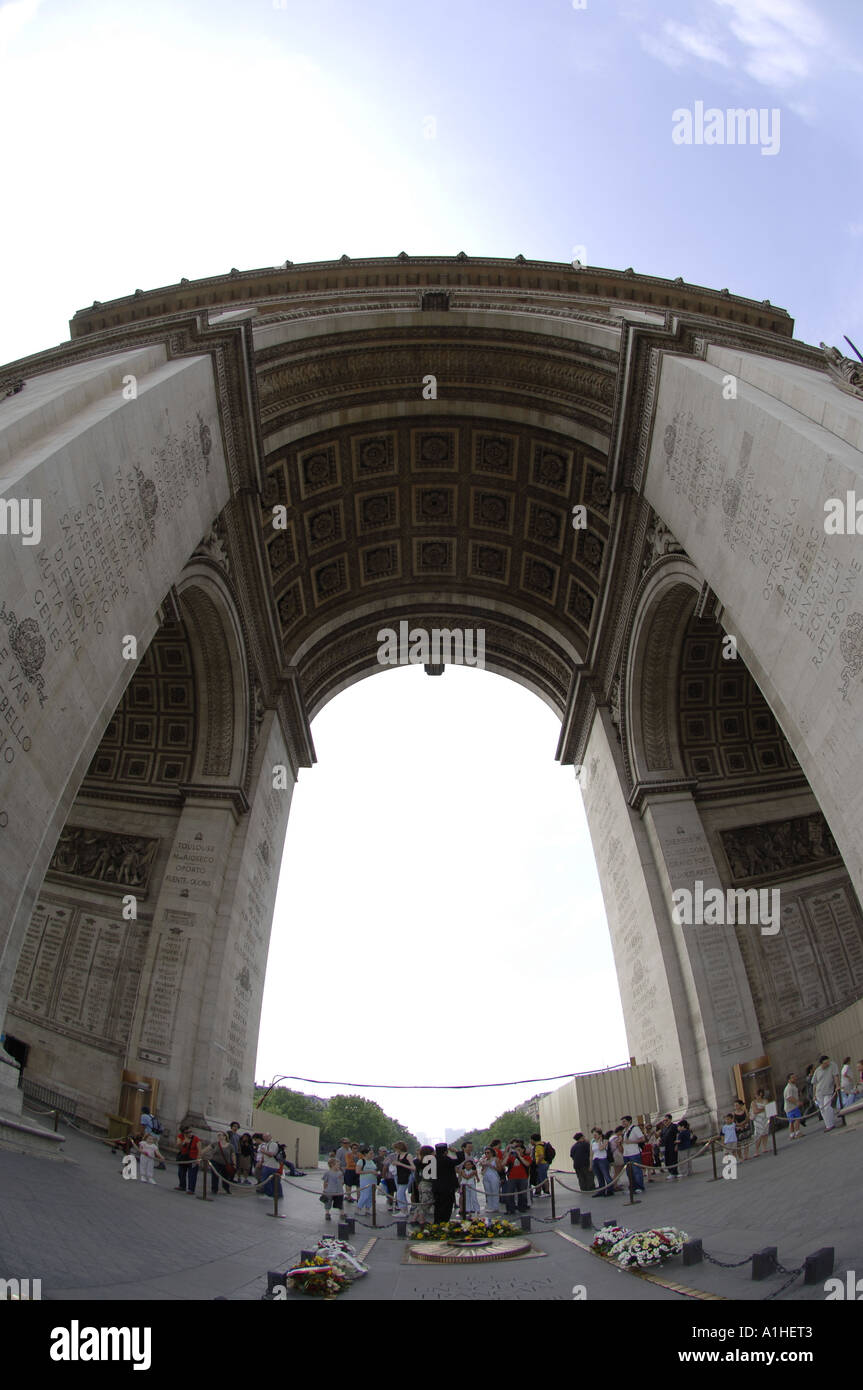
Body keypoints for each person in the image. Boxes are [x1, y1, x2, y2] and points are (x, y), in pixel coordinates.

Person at [431, 1143, 462, 1224]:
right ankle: (444, 1223)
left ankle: (437, 1224)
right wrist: (456, 1151)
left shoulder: (432, 1160)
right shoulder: (446, 1159)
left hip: (436, 1187)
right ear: (445, 1151)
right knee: (447, 1207)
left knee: (438, 1207)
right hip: (447, 1188)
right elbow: (460, 1159)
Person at [502, 1140, 531, 1215]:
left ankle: (522, 1207)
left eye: (519, 1150)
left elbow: (527, 1164)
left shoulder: (526, 1157)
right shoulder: (511, 1158)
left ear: (523, 1150)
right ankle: (510, 1209)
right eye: (516, 1150)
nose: (517, 1151)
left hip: (523, 1177)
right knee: (510, 1194)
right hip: (512, 1177)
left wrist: (520, 1156)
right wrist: (508, 1154)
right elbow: (503, 1164)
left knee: (522, 1194)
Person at [813, 1054, 840, 1131]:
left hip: (828, 1090)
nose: (827, 1064)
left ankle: (831, 1124)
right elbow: (814, 1084)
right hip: (819, 1092)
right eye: (825, 1063)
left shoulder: (832, 1065)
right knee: (822, 1109)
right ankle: (828, 1124)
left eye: (828, 1062)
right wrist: (814, 1095)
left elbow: (836, 1076)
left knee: (827, 1107)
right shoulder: (817, 1071)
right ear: (821, 1064)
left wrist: (837, 1085)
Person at [621, 1115, 645, 1192]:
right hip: (626, 1153)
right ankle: (632, 1187)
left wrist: (631, 1142)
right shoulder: (624, 1131)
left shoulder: (635, 1129)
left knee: (636, 1170)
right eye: (622, 1122)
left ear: (629, 1121)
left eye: (624, 1121)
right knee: (629, 1172)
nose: (623, 1123)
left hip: (634, 1153)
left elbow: (642, 1139)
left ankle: (639, 1187)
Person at [176, 1127, 200, 1193]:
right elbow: (178, 1147)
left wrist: (198, 1159)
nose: (190, 1134)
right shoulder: (180, 1136)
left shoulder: (196, 1139)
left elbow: (199, 1150)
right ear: (183, 1133)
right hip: (184, 1157)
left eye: (190, 1132)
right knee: (181, 1172)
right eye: (187, 1132)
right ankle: (182, 1185)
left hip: (193, 1158)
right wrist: (183, 1142)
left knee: (192, 1174)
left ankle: (191, 1189)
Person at [590, 1127, 613, 1196]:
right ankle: (601, 1190)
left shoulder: (605, 1141)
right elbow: (591, 1153)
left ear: (600, 1135)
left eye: (596, 1135)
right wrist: (591, 1164)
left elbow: (601, 1148)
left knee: (606, 1175)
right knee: (599, 1177)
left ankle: (610, 1190)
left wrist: (600, 1141)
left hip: (602, 1159)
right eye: (593, 1135)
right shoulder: (592, 1142)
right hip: (595, 1159)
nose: (594, 1136)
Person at [393, 1142, 414, 1215]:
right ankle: (404, 1210)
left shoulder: (408, 1155)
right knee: (401, 1193)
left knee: (399, 1194)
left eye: (396, 1148)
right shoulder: (398, 1155)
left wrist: (401, 1164)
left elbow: (413, 1167)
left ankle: (402, 1210)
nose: (395, 1150)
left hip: (406, 1176)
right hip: (399, 1176)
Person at [479, 1146, 502, 1212]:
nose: (487, 1154)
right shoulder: (485, 1160)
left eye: (488, 1153)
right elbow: (482, 1171)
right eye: (485, 1153)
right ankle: (490, 1206)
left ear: (492, 1153)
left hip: (494, 1176)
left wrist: (491, 1166)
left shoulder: (496, 1159)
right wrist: (483, 1166)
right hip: (486, 1176)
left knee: (494, 1191)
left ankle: (495, 1207)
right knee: (488, 1192)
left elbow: (500, 1169)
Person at [356, 1145, 377, 1213]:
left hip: (373, 1180)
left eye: (372, 1153)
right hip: (365, 1180)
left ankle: (368, 1208)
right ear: (365, 1154)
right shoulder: (361, 1161)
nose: (372, 1155)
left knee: (371, 1195)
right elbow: (358, 1171)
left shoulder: (372, 1161)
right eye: (370, 1153)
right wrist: (370, 1171)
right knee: (365, 1195)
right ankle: (359, 1208)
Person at [749, 1089, 770, 1156]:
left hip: (765, 1118)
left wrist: (762, 1109)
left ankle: (764, 1148)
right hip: (758, 1120)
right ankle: (757, 1150)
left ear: (760, 1094)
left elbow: (768, 1108)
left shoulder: (765, 1100)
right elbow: (755, 1111)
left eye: (757, 1094)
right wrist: (764, 1109)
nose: (756, 1096)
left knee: (765, 1133)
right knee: (758, 1134)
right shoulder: (753, 1102)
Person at [783, 1073, 802, 1140]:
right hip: (791, 1107)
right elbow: (789, 1097)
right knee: (795, 1119)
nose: (795, 1078)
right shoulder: (789, 1088)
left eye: (795, 1077)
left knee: (793, 1120)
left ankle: (793, 1134)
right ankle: (796, 1132)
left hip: (792, 1107)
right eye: (792, 1077)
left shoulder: (793, 1086)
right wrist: (797, 1102)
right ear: (789, 1080)